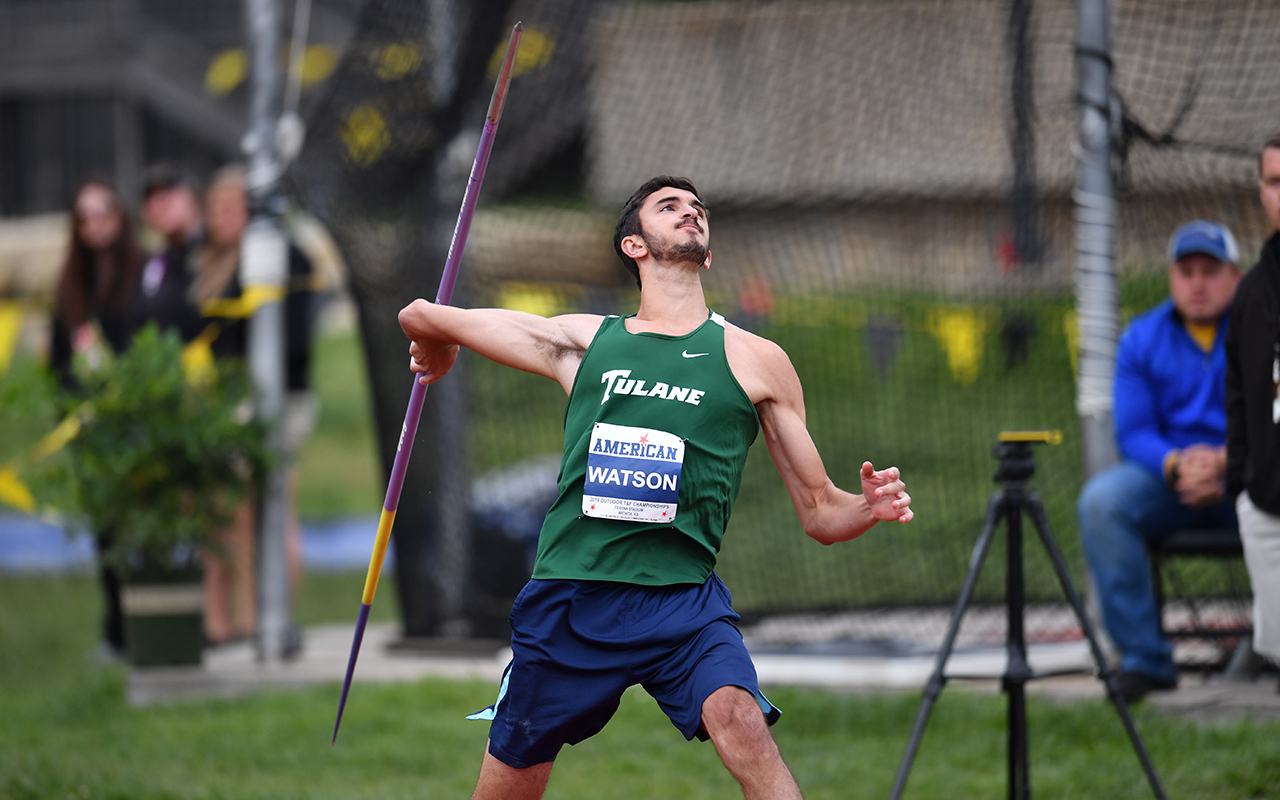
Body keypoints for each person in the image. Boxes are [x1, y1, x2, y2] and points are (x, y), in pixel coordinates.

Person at [398, 176, 914, 800]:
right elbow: (421, 312)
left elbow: (820, 512)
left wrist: (868, 507)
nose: (689, 213)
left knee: (742, 723)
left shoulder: (757, 360)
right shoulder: (586, 342)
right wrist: (437, 344)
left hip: (683, 604)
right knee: (511, 787)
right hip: (573, 598)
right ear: (634, 245)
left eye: (697, 209)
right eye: (668, 207)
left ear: (709, 251)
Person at [1077, 219, 1243, 703]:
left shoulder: (1263, 329)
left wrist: (1229, 461)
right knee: (1102, 502)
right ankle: (1146, 660)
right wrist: (1178, 466)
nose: (1197, 282)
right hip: (1170, 482)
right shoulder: (1140, 338)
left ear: (1235, 275)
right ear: (1171, 277)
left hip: (1252, 476)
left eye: (1210, 270)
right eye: (1186, 270)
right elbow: (1133, 433)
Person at [194, 165, 315, 648]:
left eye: (233, 208)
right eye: (216, 208)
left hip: (275, 400)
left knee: (268, 510)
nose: (222, 218)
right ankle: (227, 622)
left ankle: (263, 620)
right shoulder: (216, 262)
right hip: (231, 402)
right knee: (226, 515)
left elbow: (295, 340)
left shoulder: (283, 254)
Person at [49, 179, 146, 659]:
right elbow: (58, 362)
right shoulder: (71, 286)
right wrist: (73, 411)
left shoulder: (143, 271)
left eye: (104, 211)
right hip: (94, 431)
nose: (95, 223)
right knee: (105, 532)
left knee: (146, 528)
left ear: (121, 215)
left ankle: (150, 624)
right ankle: (116, 631)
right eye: (84, 216)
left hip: (139, 425)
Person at [1225, 135, 1280, 667]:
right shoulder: (1251, 292)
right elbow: (1238, 396)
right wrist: (1242, 484)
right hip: (1267, 501)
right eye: (1275, 182)